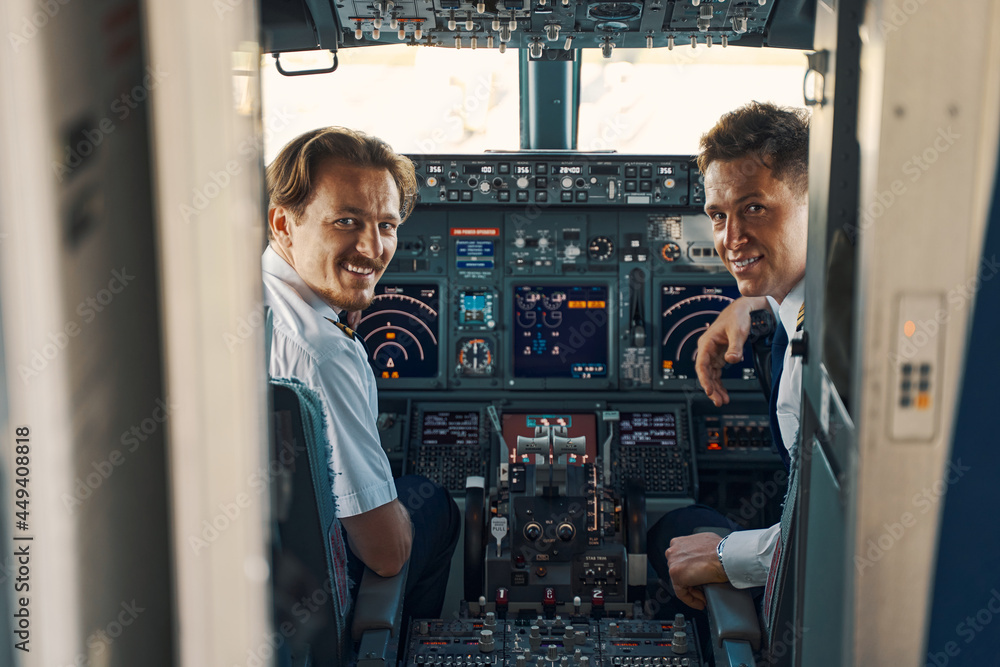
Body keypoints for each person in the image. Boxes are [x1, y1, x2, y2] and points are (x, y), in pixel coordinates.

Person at [263, 127, 460, 622]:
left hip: (262, 560)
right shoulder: (322, 353)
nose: (371, 249)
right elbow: (386, 553)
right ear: (284, 224)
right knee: (436, 505)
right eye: (346, 221)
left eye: (387, 225)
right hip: (307, 594)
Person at [647, 102, 810, 611]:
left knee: (676, 537)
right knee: (677, 528)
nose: (730, 238)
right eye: (719, 215)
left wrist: (725, 555)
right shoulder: (806, 299)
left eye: (754, 208)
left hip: (812, 593)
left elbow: (841, 533)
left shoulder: (819, 359)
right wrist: (755, 301)